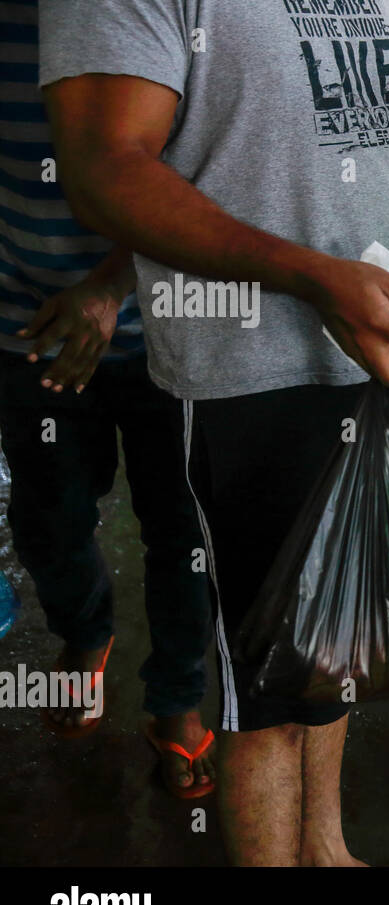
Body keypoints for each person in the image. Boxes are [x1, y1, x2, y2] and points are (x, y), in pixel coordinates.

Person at [40, 0, 389, 865]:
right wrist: (311, 277)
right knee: (264, 686)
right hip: (245, 373)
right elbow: (103, 166)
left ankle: (327, 848)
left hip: (375, 355)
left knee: (334, 637)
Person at [0, 0, 214, 798]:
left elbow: (205, 167)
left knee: (182, 528)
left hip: (171, 323)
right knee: (48, 516)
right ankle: (86, 636)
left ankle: (178, 698)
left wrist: (110, 286)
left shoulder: (162, 16)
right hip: (29, 320)